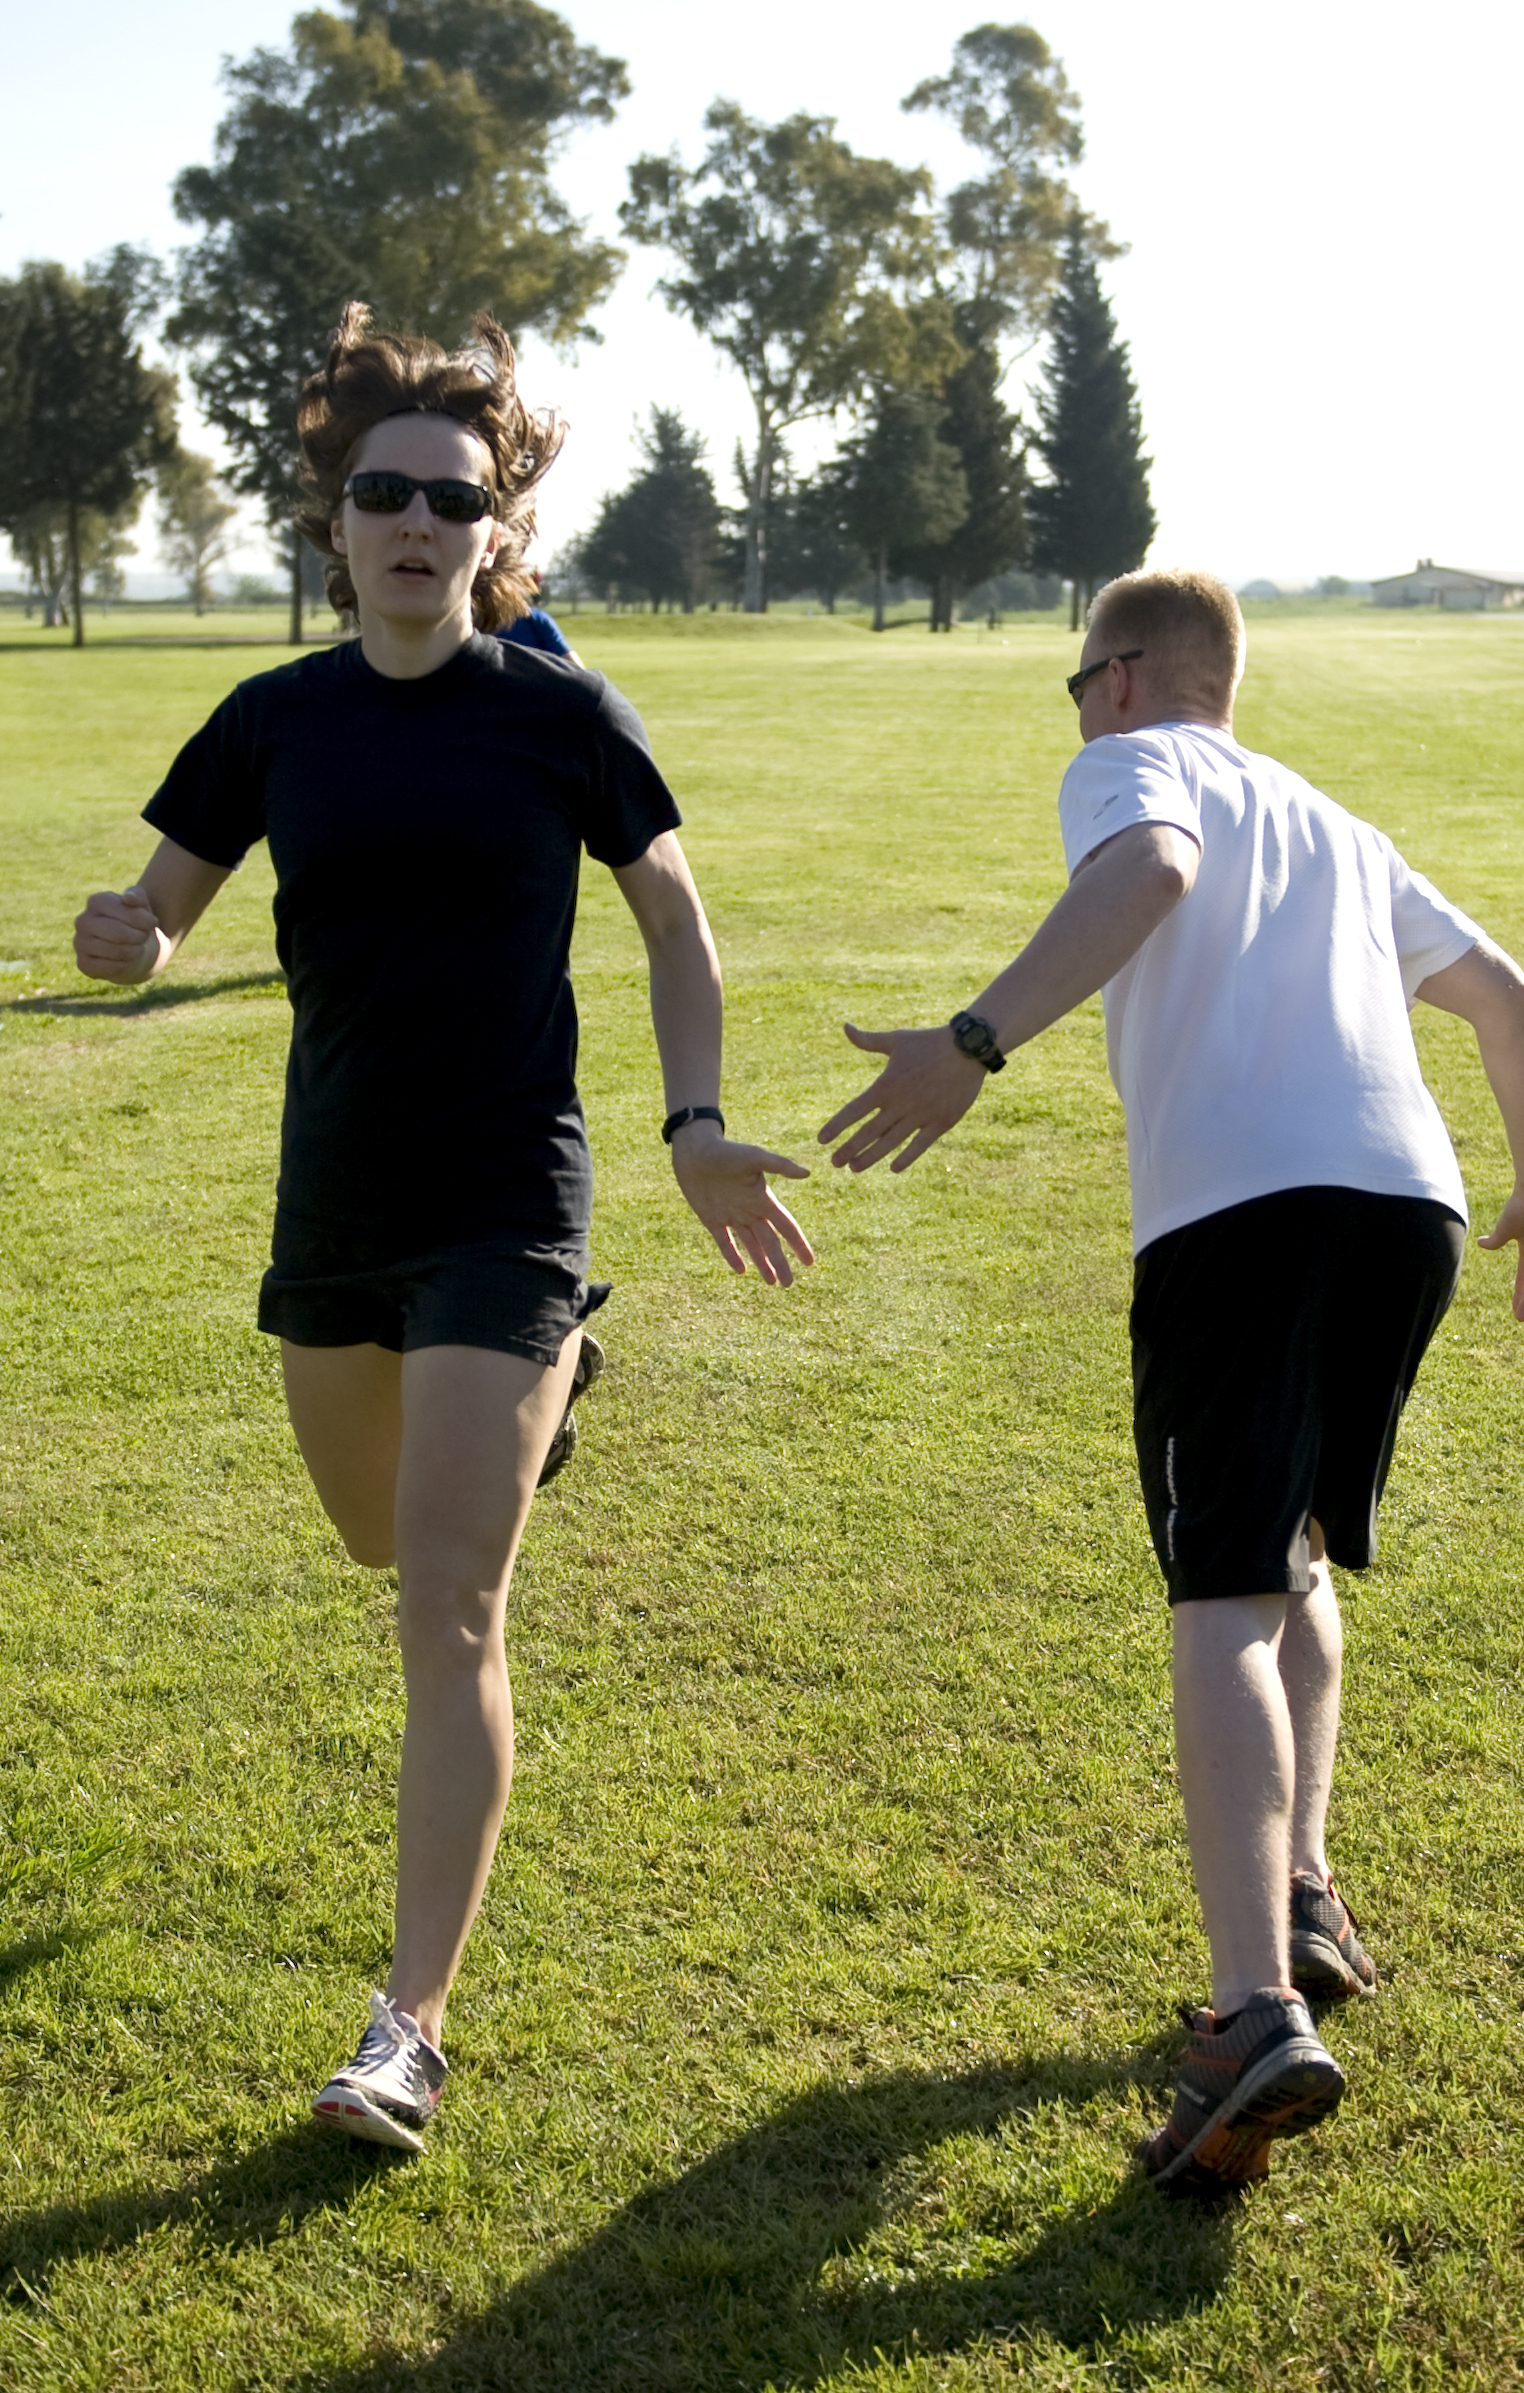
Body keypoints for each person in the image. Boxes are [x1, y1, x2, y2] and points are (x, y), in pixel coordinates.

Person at [73, 304, 814, 2152]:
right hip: (336, 1203)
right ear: (334, 523)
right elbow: (165, 901)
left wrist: (699, 1124)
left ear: (496, 531)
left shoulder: (558, 715)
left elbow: (673, 926)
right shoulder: (271, 720)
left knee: (444, 1600)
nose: (416, 522)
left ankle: (405, 2025)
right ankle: (539, 1412)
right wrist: (131, 934)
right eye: (382, 493)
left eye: (452, 499)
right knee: (366, 1531)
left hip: (506, 1197)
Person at [818, 567, 1524, 2196]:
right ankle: (1301, 1889)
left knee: (1219, 1590)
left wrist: (971, 1041)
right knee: (1295, 1542)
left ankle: (1250, 2011)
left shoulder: (1132, 762)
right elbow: (1508, 1001)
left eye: (1075, 684)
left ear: (1118, 678)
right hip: (1412, 1209)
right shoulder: (1331, 817)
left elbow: (1153, 870)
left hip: (1243, 1213)